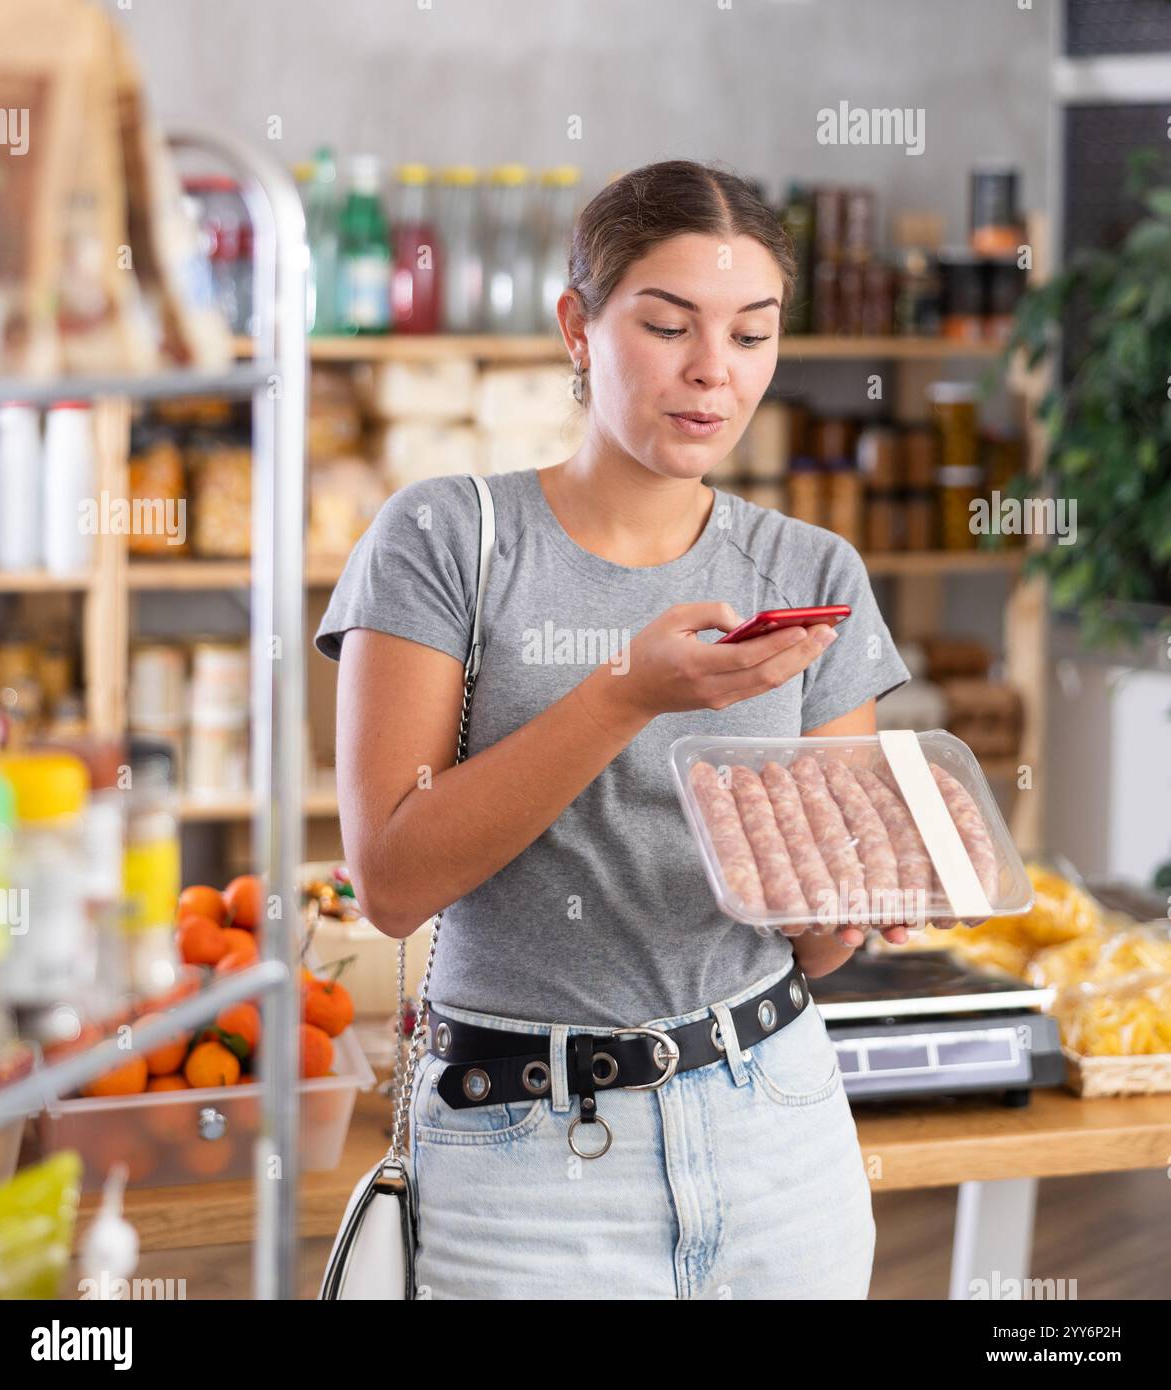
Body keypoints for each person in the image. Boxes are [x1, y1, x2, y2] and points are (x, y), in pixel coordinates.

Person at [315, 158, 912, 1300]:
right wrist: (627, 693)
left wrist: (854, 898)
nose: (711, 373)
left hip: (776, 1126)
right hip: (524, 1153)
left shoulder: (807, 569)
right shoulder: (447, 538)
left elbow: (817, 937)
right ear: (577, 327)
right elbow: (390, 879)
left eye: (750, 335)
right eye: (668, 324)